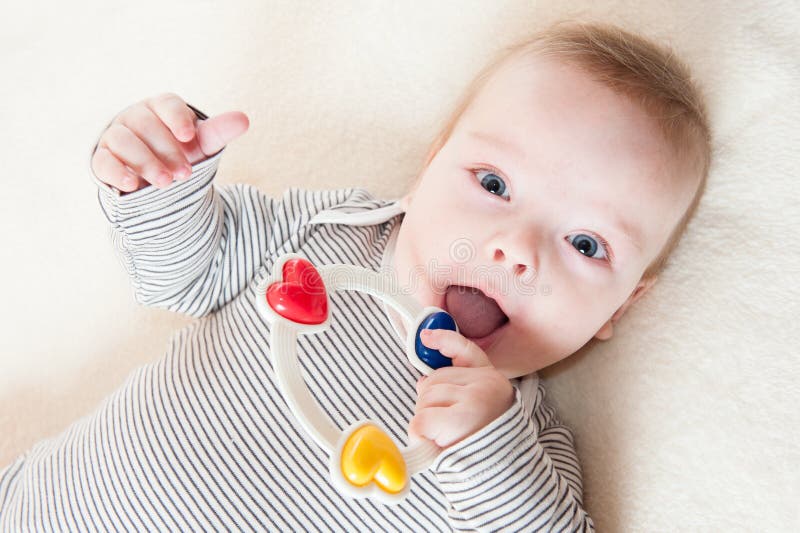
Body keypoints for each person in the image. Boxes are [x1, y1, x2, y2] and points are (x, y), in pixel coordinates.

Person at [0, 20, 711, 532]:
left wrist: (488, 448)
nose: (514, 249)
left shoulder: (522, 448)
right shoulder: (326, 232)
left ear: (622, 305)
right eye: (493, 182)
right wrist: (161, 178)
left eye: (586, 242)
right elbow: (180, 275)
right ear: (430, 163)